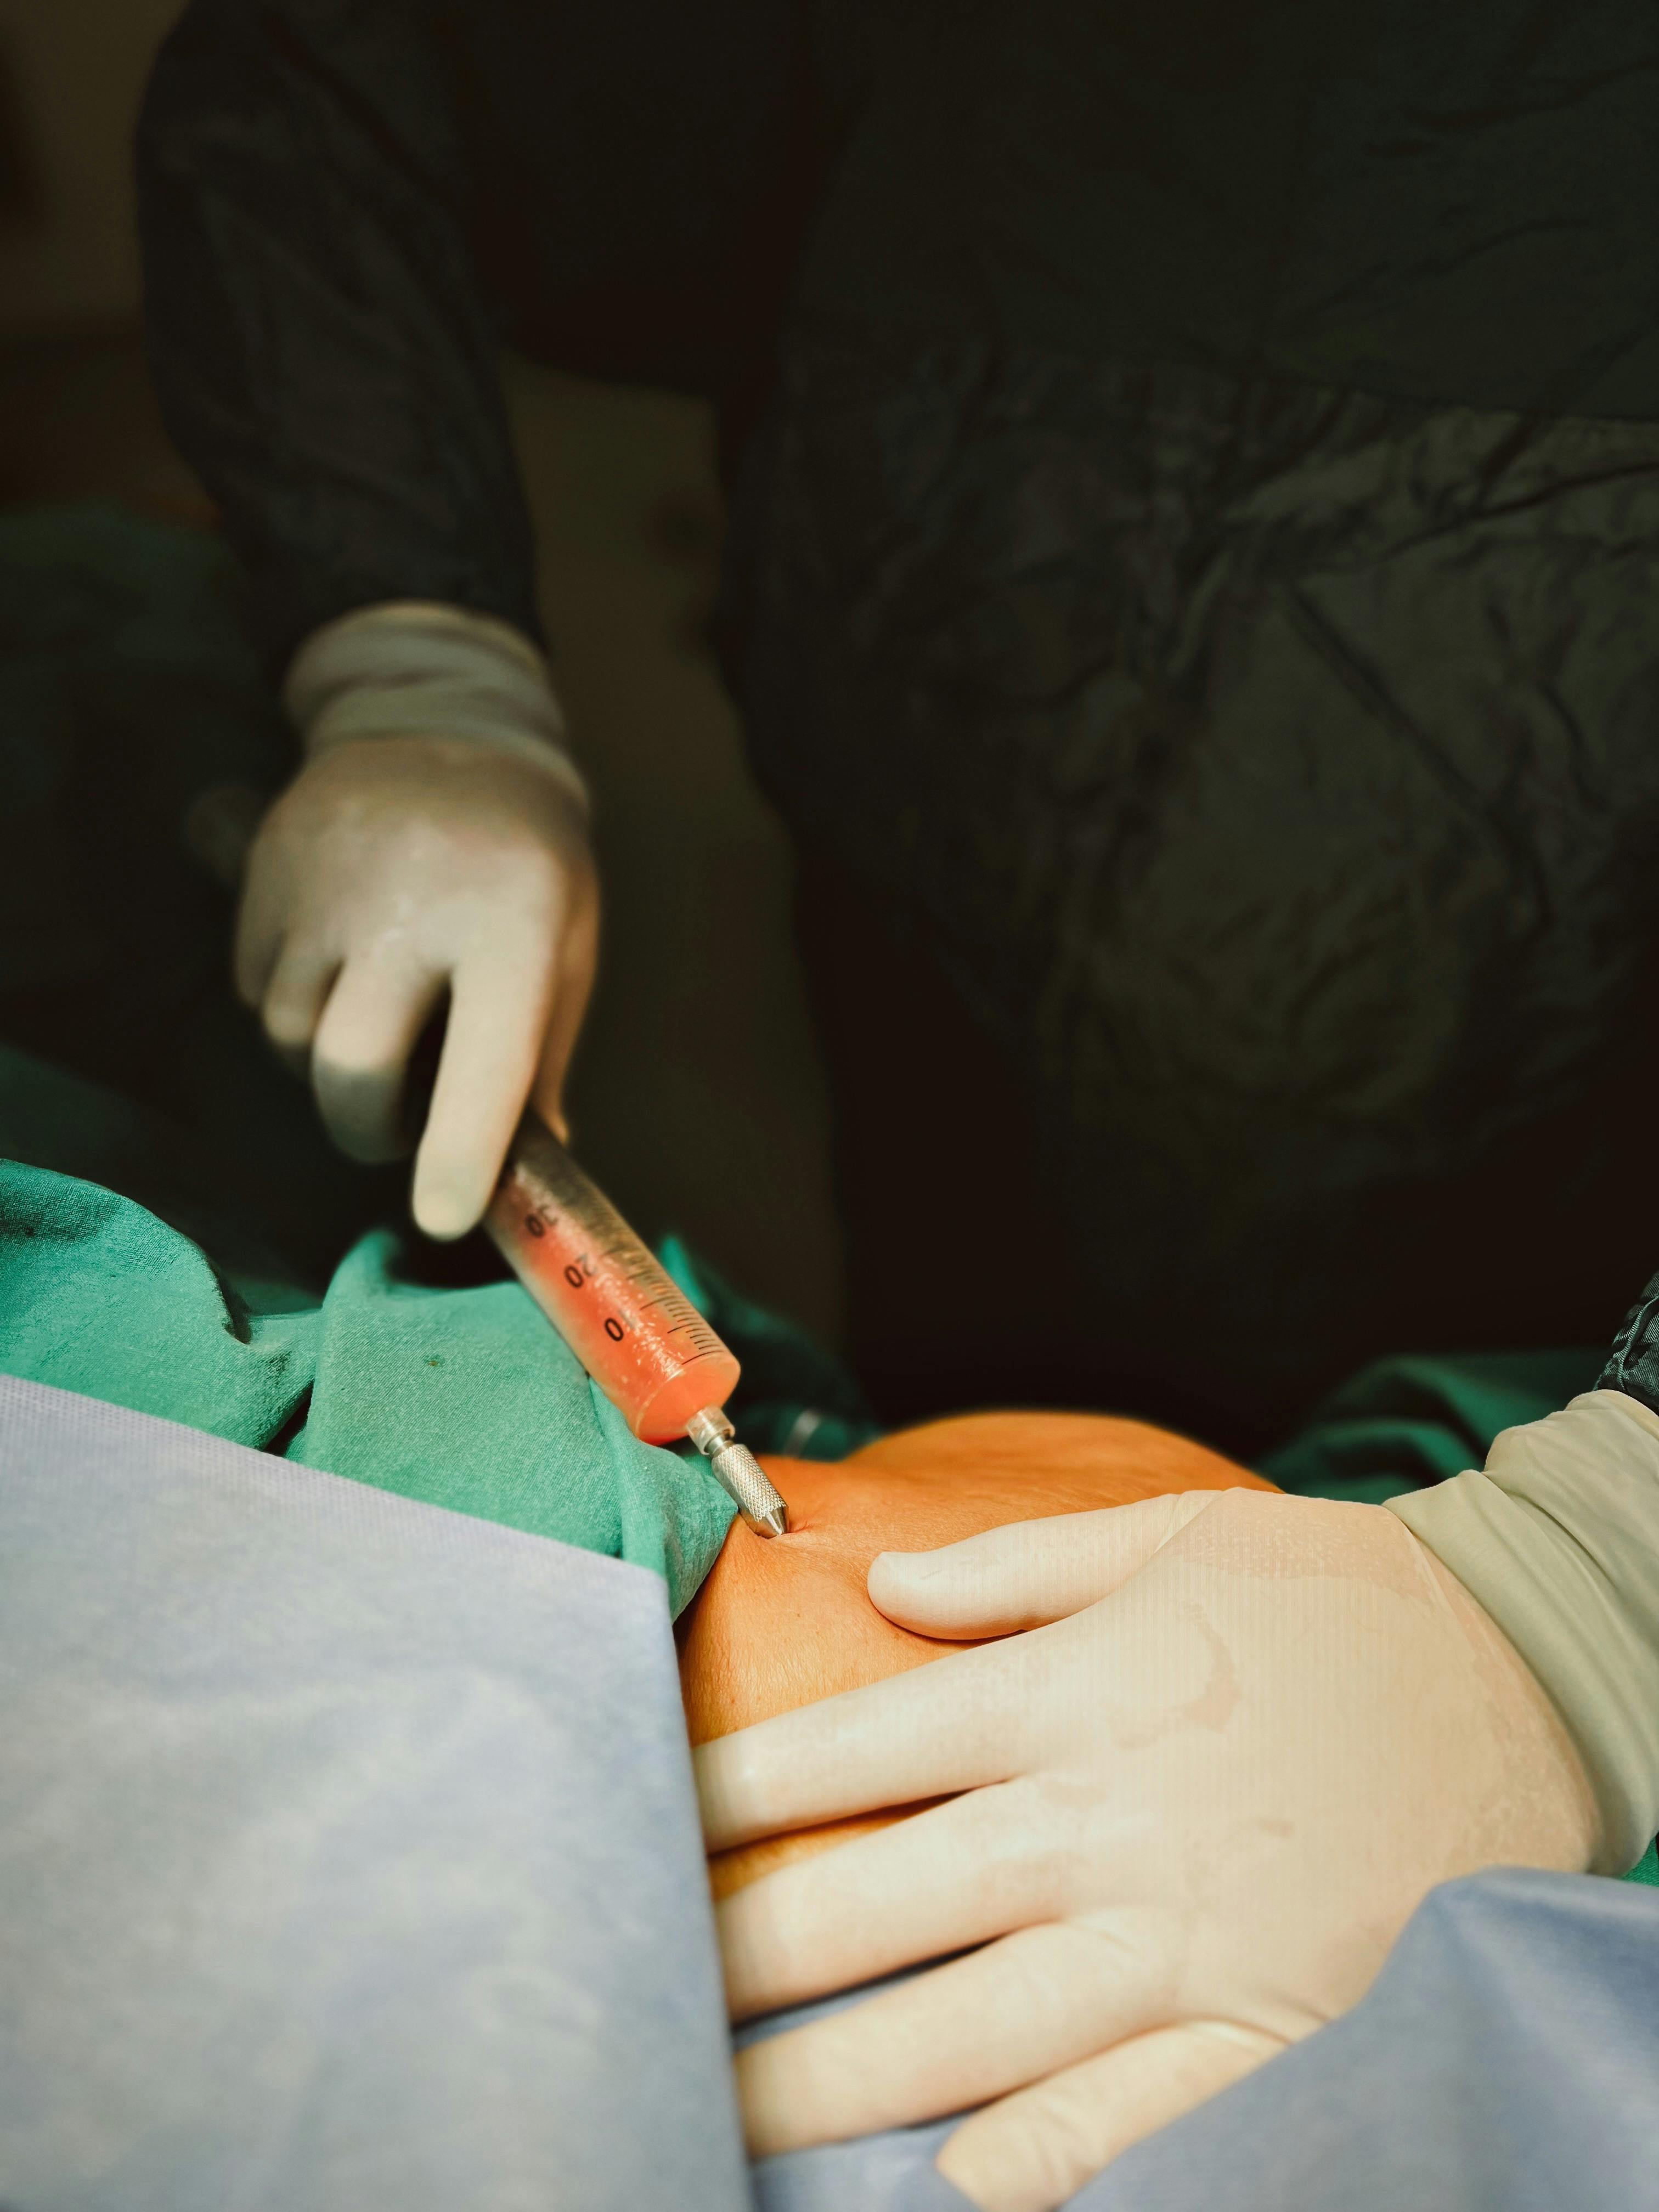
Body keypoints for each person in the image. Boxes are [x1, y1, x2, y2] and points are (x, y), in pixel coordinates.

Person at [137, 0, 1659, 1452]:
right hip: (966, 1076)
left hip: (1555, 1209)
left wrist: (1602, 1521)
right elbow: (330, 73)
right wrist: (414, 659)